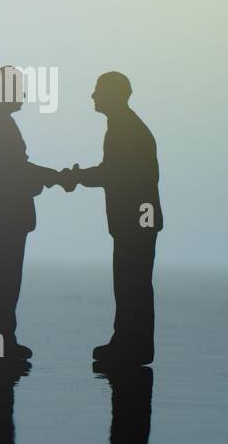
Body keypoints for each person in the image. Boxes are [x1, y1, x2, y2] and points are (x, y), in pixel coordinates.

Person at [62, 72, 162, 366]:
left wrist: (77, 176)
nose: (93, 96)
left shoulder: (125, 129)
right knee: (132, 282)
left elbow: (112, 173)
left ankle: (133, 346)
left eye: (98, 91)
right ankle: (128, 342)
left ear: (114, 95)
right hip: (136, 220)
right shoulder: (124, 126)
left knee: (133, 282)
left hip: (136, 222)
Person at [0, 65, 66, 363]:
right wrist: (57, 177)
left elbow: (14, 169)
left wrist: (49, 177)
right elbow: (15, 171)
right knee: (3, 284)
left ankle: (0, 344)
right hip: (5, 218)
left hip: (0, 217)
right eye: (19, 88)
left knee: (2, 283)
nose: (23, 94)